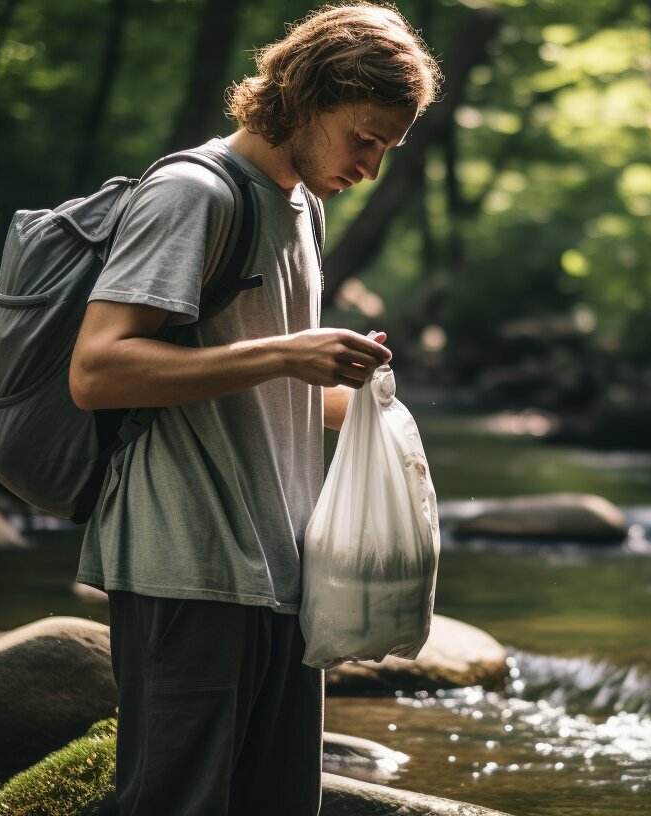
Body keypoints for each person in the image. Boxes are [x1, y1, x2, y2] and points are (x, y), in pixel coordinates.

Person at [67, 5, 440, 814]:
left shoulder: (301, 206)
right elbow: (96, 371)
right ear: (308, 96)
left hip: (280, 575)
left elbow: (258, 382)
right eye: (365, 137)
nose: (371, 166)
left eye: (388, 147)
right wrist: (285, 353)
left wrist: (355, 394)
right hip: (188, 566)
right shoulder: (192, 195)